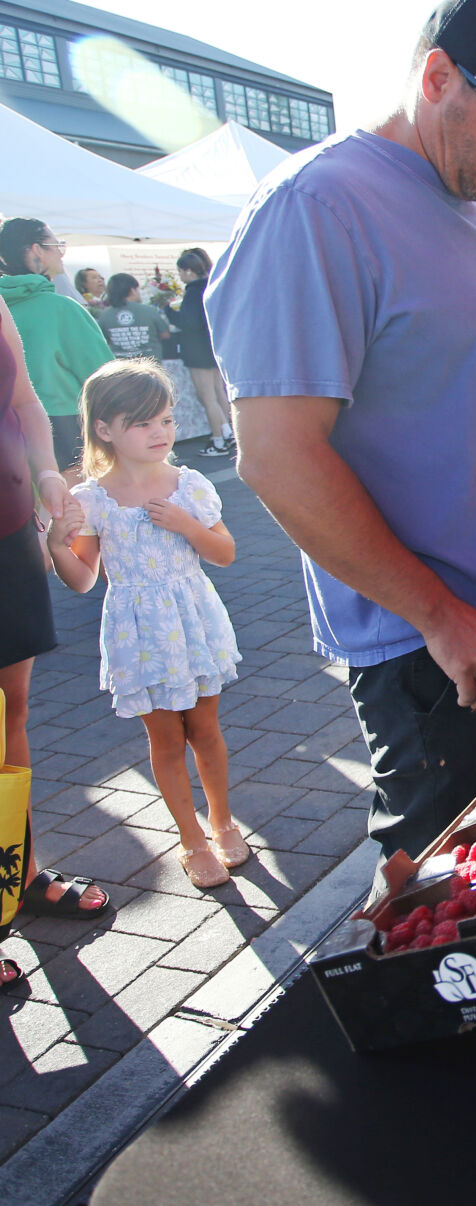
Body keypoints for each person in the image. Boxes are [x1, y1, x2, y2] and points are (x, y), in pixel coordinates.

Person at [205, 0, 476, 882]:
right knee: (450, 910)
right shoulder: (316, 205)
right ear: (436, 79)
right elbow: (275, 454)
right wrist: (437, 615)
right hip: (443, 655)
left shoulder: (468, 204)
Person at [46, 360, 245, 889]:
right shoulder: (91, 499)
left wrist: (186, 525)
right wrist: (55, 547)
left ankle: (223, 822)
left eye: (166, 419)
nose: (160, 432)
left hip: (193, 621)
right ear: (104, 429)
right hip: (139, 633)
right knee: (165, 739)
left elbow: (224, 553)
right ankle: (191, 840)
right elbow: (83, 578)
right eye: (142, 422)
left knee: (205, 729)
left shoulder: (190, 484)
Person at [1, 297, 111, 988]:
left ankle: (16, 874)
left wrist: (46, 474)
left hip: (6, 529)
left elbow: (25, 401)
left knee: (11, 714)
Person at [0, 219, 114, 474]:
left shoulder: (4, 310)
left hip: (8, 429)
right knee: (73, 508)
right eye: (56, 245)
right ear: (37, 250)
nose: (61, 254)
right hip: (64, 428)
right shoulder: (61, 308)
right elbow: (104, 377)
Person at [173, 249, 235, 457]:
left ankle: (218, 440)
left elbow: (187, 322)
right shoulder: (211, 286)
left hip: (198, 350)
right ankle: (228, 432)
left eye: (180, 271)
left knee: (207, 396)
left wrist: (167, 312)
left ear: (188, 271)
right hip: (212, 347)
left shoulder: (193, 292)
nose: (180, 276)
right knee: (218, 392)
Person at [97, 274, 175, 362]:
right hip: (150, 365)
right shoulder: (149, 311)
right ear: (132, 291)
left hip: (121, 368)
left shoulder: (105, 315)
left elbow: (101, 340)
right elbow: (165, 335)